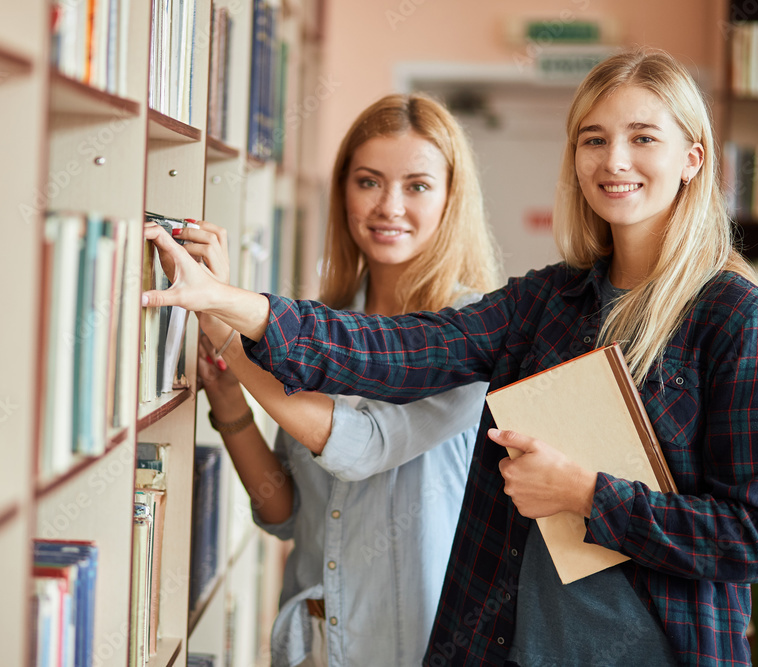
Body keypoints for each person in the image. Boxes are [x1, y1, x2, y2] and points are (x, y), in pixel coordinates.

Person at [143, 50, 758, 666]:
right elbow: (394, 348)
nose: (613, 159)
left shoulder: (735, 316)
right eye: (593, 139)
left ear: (693, 156)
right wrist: (233, 304)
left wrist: (587, 493)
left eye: (642, 137)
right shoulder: (545, 302)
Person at [147, 93, 501, 666]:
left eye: (417, 185)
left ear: (451, 199)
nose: (389, 206)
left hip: (411, 650)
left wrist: (226, 325)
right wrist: (230, 394)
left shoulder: (476, 338)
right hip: (310, 646)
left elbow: (358, 448)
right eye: (368, 181)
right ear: (342, 192)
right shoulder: (317, 329)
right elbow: (286, 514)